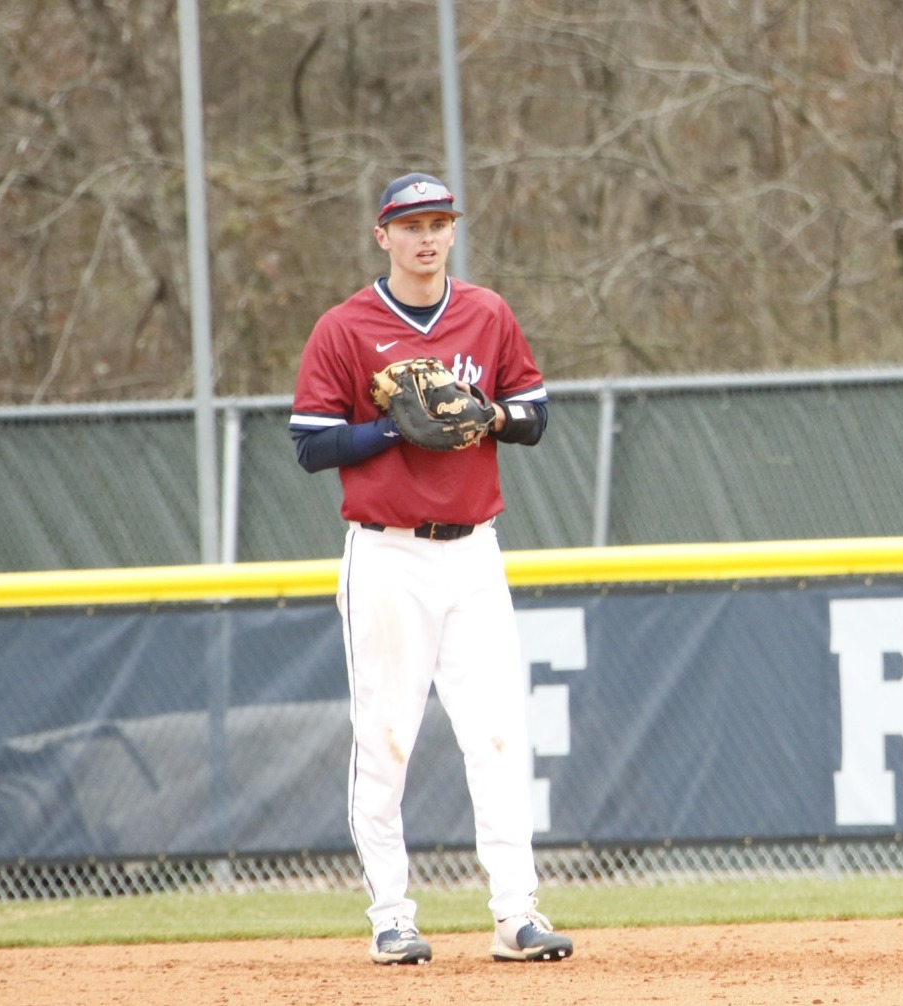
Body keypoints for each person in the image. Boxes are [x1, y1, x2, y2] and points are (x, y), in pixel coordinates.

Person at [289, 172, 572, 966]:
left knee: (499, 736)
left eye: (439, 221)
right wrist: (390, 431)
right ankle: (392, 917)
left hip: (474, 550)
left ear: (452, 232)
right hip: (387, 554)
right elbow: (311, 443)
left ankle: (516, 915)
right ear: (383, 235)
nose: (425, 235)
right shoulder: (345, 328)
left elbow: (535, 416)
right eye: (409, 223)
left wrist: (488, 415)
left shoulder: (486, 314)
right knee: (384, 740)